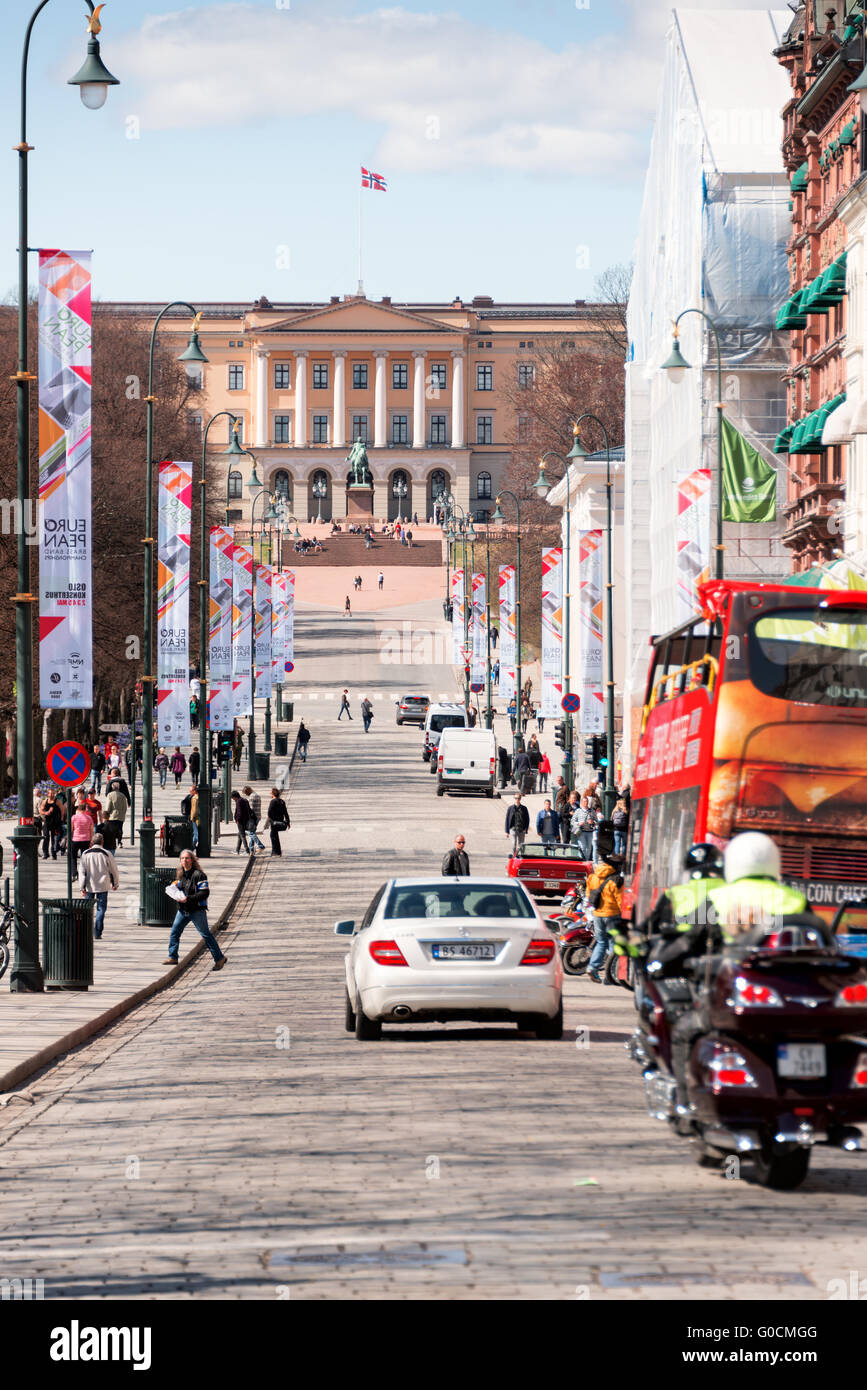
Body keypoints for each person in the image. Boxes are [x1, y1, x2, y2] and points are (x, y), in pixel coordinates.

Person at [654, 835, 817, 1109]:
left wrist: (660, 963)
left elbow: (688, 941)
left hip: (735, 998)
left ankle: (685, 1104)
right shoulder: (794, 899)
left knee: (684, 1031)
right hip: (790, 1001)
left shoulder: (720, 898)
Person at [162, 849, 227, 971]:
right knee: (175, 932)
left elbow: (204, 893)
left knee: (206, 935)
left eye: (187, 858)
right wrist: (175, 889)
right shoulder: (182, 874)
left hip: (196, 910)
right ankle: (173, 957)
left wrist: (188, 899)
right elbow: (180, 887)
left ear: (192, 860)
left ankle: (219, 958)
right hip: (183, 910)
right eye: (182, 859)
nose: (185, 861)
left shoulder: (199, 875)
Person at [585, 852, 624, 984]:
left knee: (601, 942)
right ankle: (610, 976)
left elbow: (588, 894)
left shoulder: (593, 876)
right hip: (612, 915)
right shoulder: (616, 880)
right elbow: (620, 901)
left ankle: (593, 967)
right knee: (614, 944)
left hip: (597, 914)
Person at [78, 833, 120, 940]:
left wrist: (82, 887)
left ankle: (87, 931)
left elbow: (82, 872)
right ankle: (97, 932)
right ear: (102, 842)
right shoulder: (106, 853)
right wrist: (115, 883)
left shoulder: (85, 854)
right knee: (101, 909)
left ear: (92, 842)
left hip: (89, 885)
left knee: (88, 909)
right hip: (103, 885)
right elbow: (114, 870)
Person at [70, 800, 94, 873]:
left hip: (75, 839)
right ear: (85, 809)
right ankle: (83, 872)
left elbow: (71, 829)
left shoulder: (74, 817)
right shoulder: (89, 818)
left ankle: (74, 872)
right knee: (84, 858)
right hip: (86, 839)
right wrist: (91, 840)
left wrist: (69, 838)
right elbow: (91, 830)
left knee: (73, 857)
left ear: (78, 809)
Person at [105, 779, 129, 850]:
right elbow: (125, 806)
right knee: (120, 828)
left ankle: (113, 842)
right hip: (121, 815)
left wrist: (107, 813)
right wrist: (123, 813)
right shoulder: (122, 795)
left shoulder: (110, 795)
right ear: (118, 787)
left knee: (112, 829)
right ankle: (119, 841)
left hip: (112, 815)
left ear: (112, 787)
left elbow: (108, 806)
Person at [39, 790, 62, 860]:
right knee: (45, 837)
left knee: (54, 839)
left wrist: (61, 819)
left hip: (55, 823)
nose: (52, 795)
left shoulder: (57, 801)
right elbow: (41, 810)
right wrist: (46, 813)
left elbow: (62, 810)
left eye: (53, 793)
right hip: (47, 822)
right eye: (50, 793)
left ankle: (54, 854)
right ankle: (45, 853)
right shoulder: (45, 801)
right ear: (48, 794)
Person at [242, 785, 266, 853]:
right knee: (253, 832)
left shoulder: (251, 797)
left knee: (250, 832)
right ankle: (251, 849)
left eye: (245, 793)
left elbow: (251, 809)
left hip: (253, 817)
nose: (245, 795)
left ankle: (260, 845)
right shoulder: (257, 795)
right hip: (258, 816)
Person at [266, 787, 290, 856]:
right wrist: (288, 822)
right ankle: (278, 851)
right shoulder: (282, 801)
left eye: (271, 792)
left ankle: (275, 852)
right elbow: (285, 812)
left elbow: (269, 813)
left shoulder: (273, 801)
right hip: (281, 821)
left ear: (273, 794)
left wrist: (270, 821)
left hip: (274, 822)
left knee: (273, 836)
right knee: (275, 836)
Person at [231, 790, 252, 854]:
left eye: (233, 798)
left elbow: (239, 812)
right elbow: (249, 810)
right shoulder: (245, 800)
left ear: (235, 797)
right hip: (246, 820)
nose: (233, 799)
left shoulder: (238, 801)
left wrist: (237, 819)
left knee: (242, 835)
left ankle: (247, 850)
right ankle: (237, 850)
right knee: (239, 835)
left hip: (241, 821)